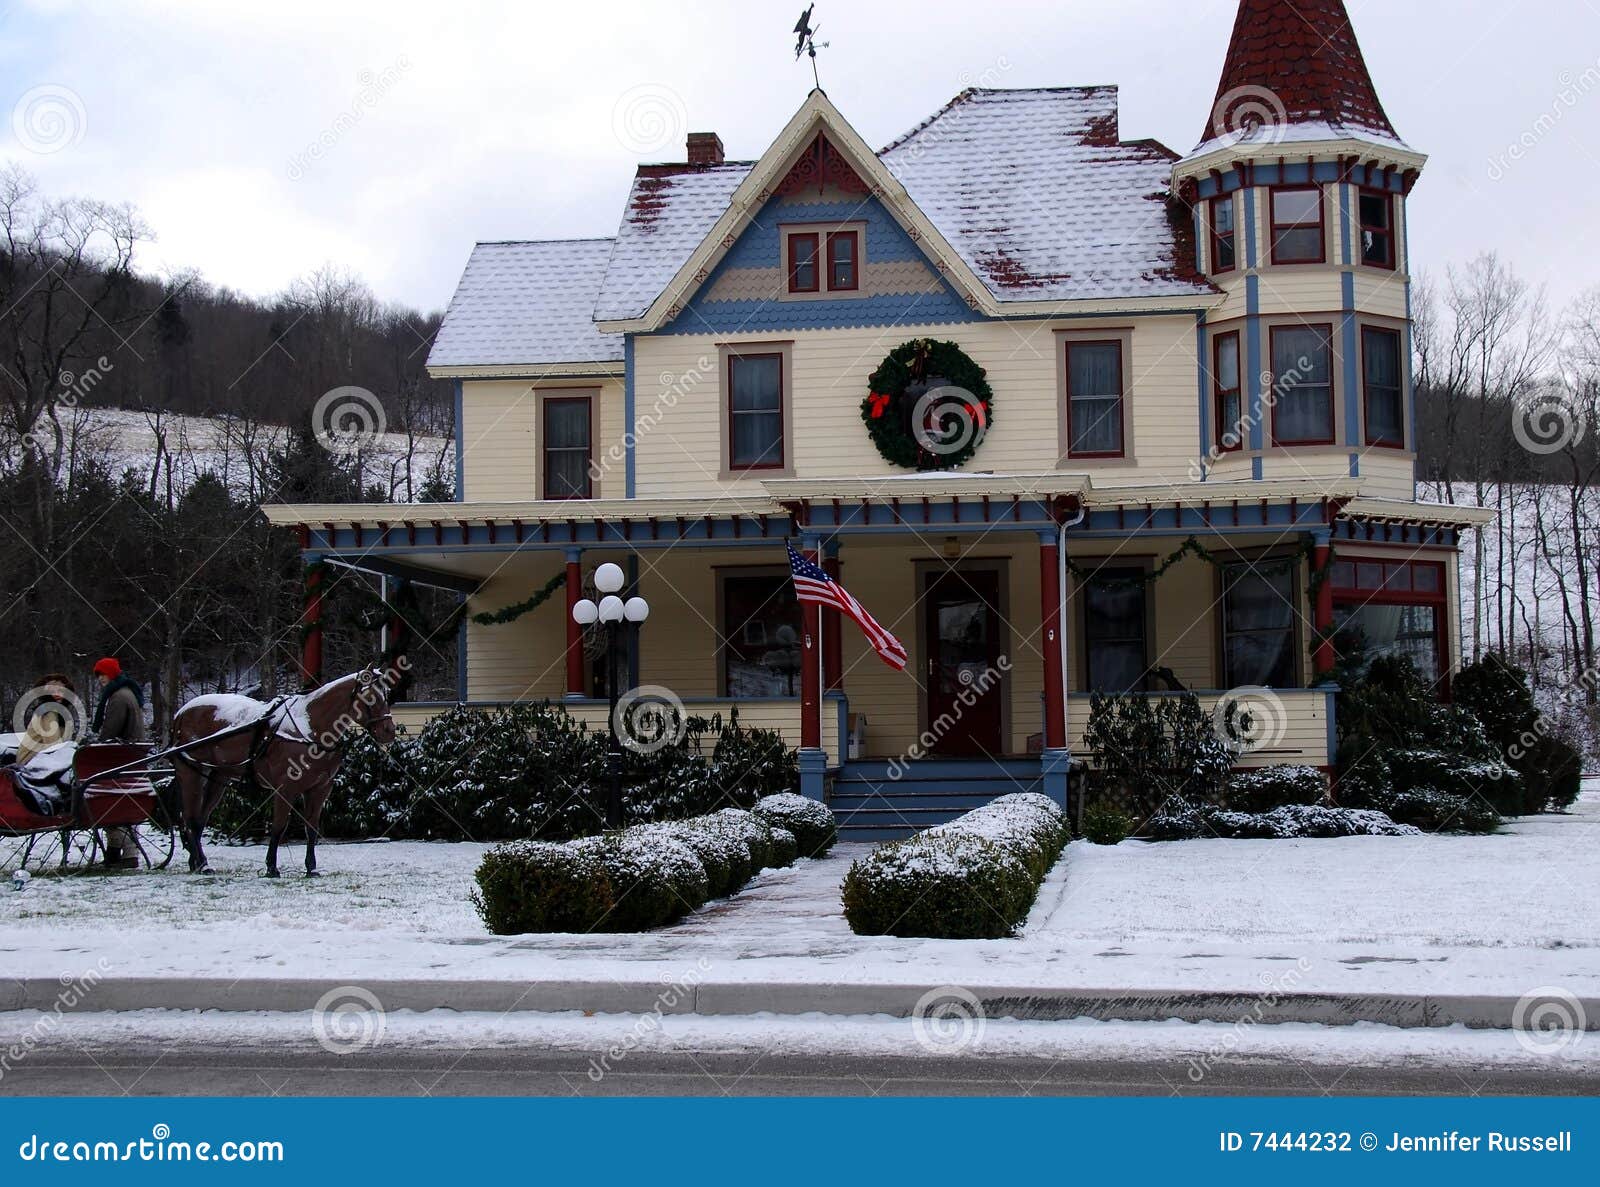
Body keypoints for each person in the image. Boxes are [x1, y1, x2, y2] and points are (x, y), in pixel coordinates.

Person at [90, 657, 148, 869]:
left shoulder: (118, 697)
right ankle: (116, 850)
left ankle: (127, 851)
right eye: (98, 675)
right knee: (117, 803)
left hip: (120, 758)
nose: (100, 679)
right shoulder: (126, 692)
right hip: (130, 756)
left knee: (107, 801)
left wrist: (96, 746)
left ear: (112, 673)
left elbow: (110, 731)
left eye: (103, 674)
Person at [15, 673, 79, 766]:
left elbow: (64, 743)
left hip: (46, 757)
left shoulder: (63, 713)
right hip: (30, 760)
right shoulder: (47, 712)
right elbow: (53, 745)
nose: (57, 694)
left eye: (61, 690)